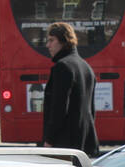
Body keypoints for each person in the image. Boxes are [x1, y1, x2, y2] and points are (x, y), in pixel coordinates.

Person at [42, 22, 99, 155]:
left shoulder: (63, 67)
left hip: (64, 143)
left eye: (51, 40)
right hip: (85, 141)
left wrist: (49, 140)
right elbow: (91, 109)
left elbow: (59, 108)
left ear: (64, 41)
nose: (48, 45)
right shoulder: (86, 67)